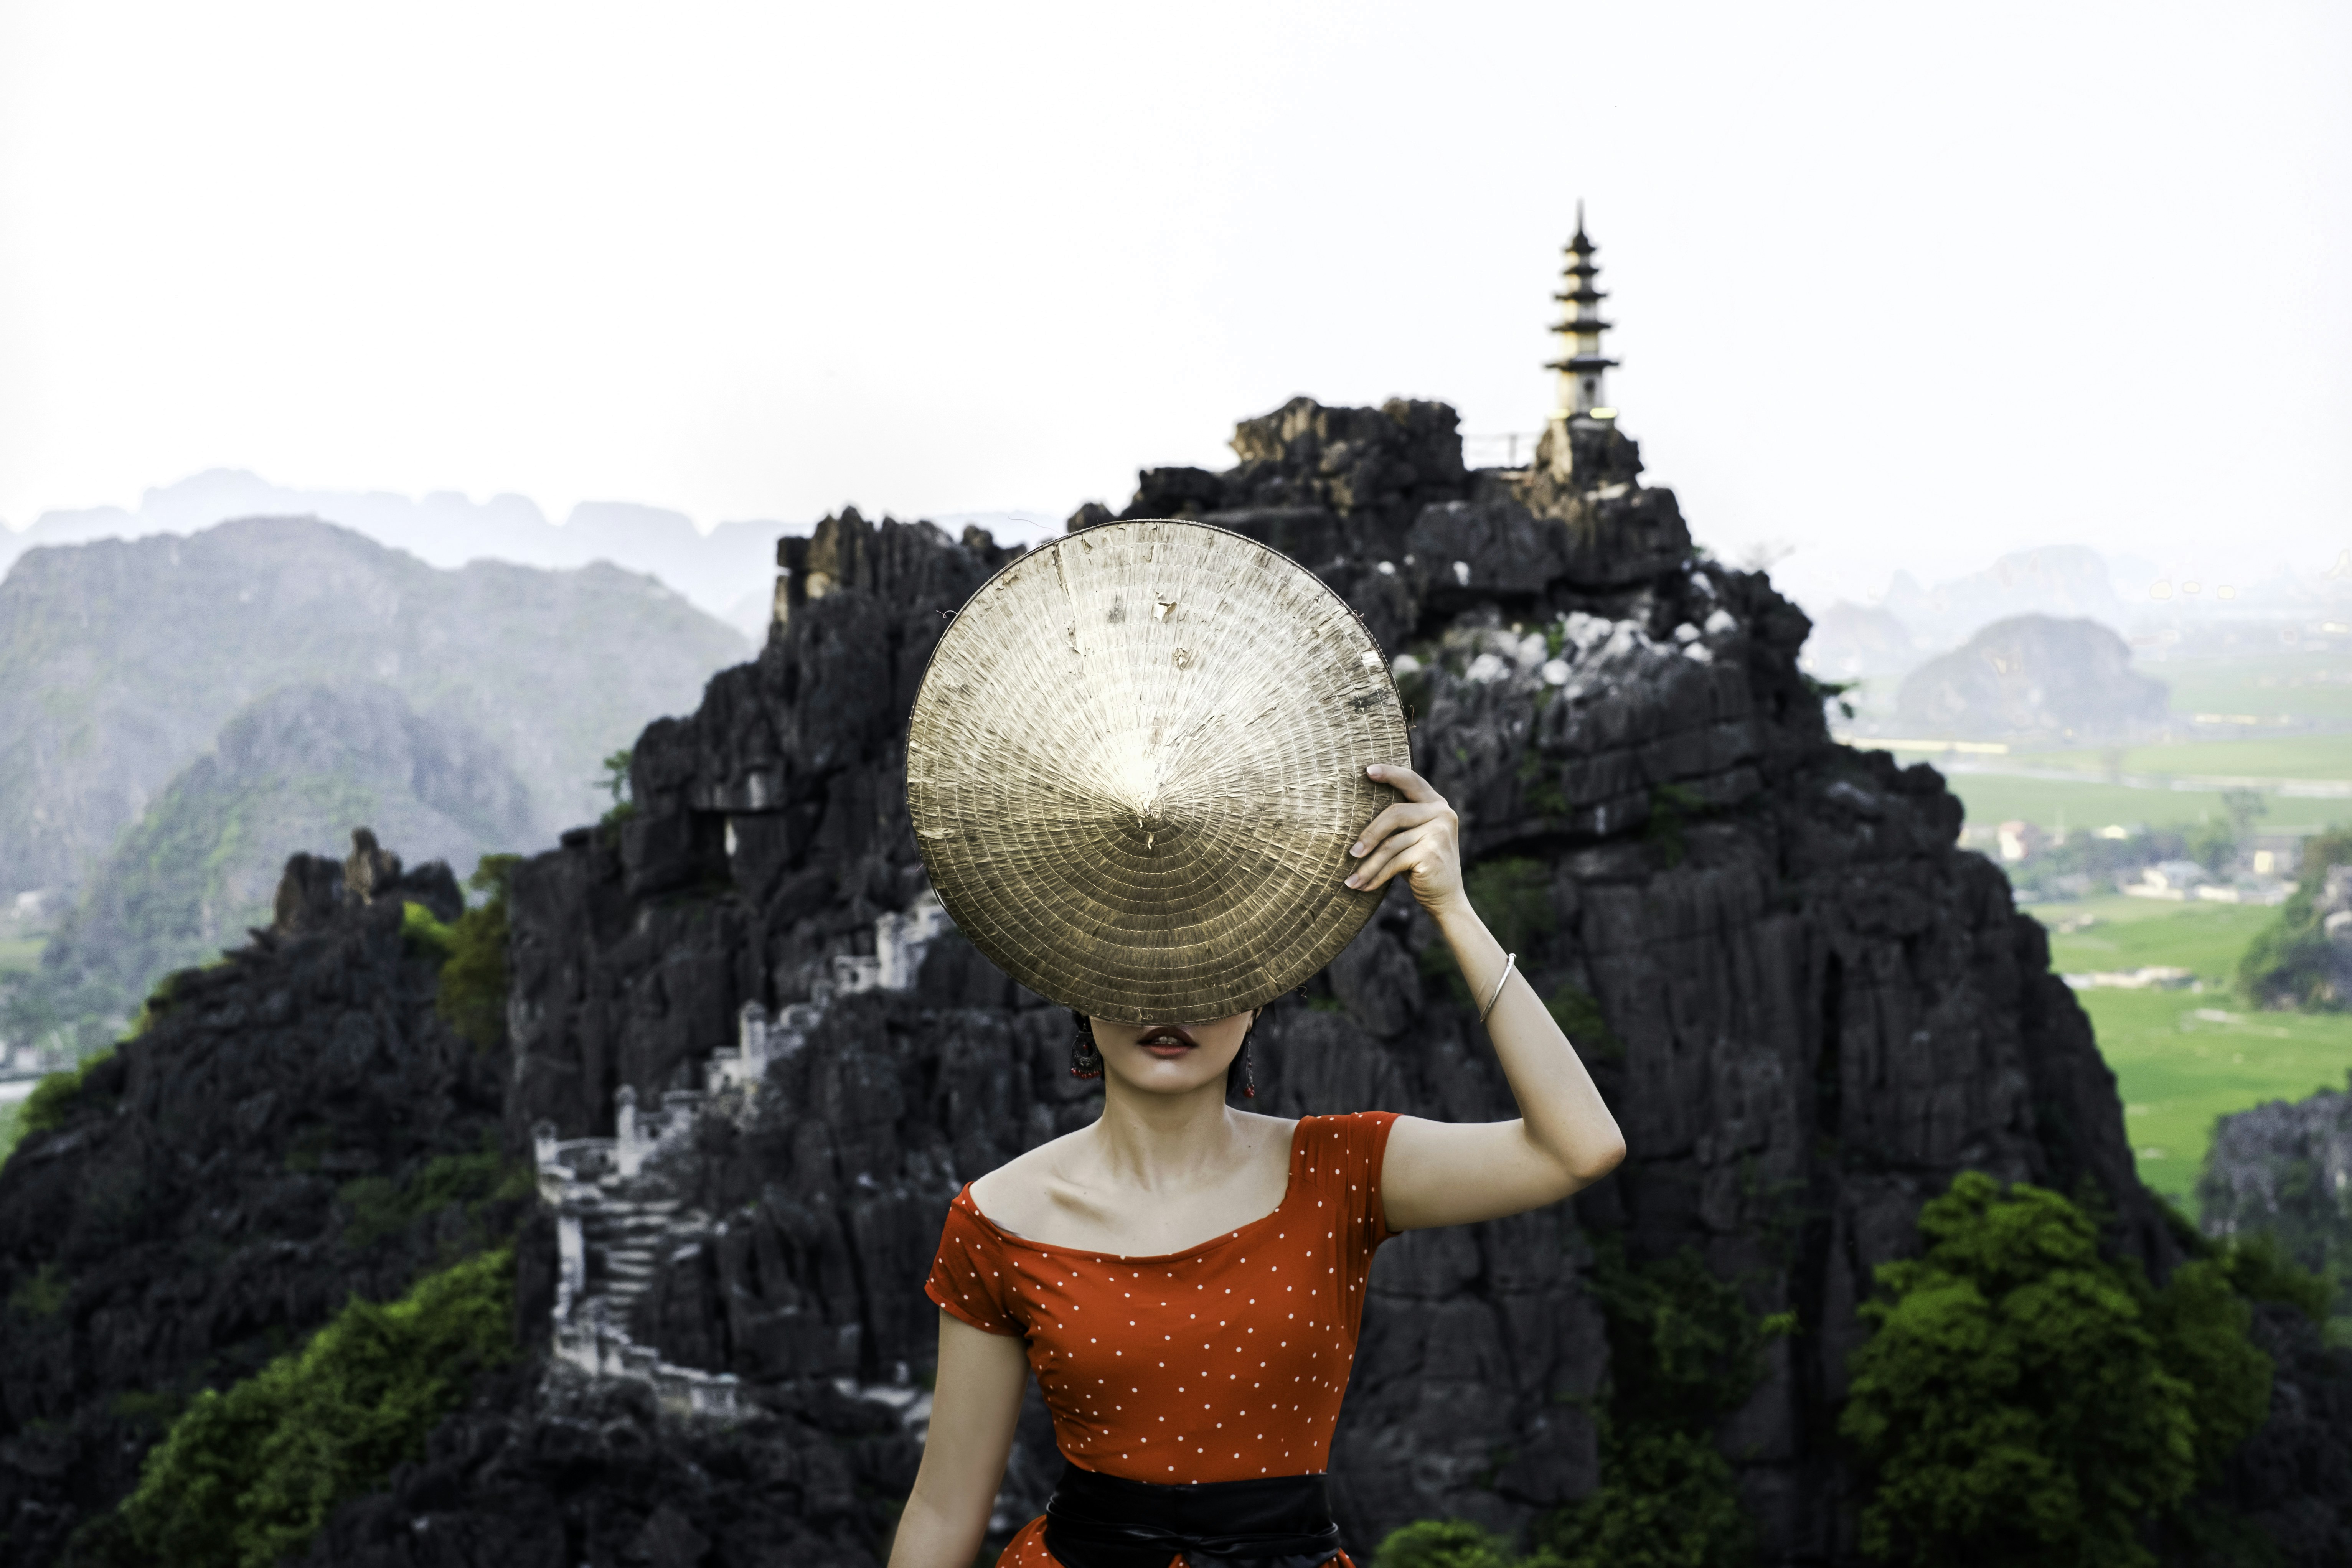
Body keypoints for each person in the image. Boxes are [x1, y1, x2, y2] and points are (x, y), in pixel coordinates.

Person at [888, 761, 1627, 1568]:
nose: (1171, 999)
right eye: (1136, 960)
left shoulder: (1340, 1170)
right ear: (1079, 980)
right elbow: (940, 1511)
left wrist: (1451, 906)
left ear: (1261, 994)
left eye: (1214, 964)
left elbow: (1579, 1145)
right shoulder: (996, 1218)